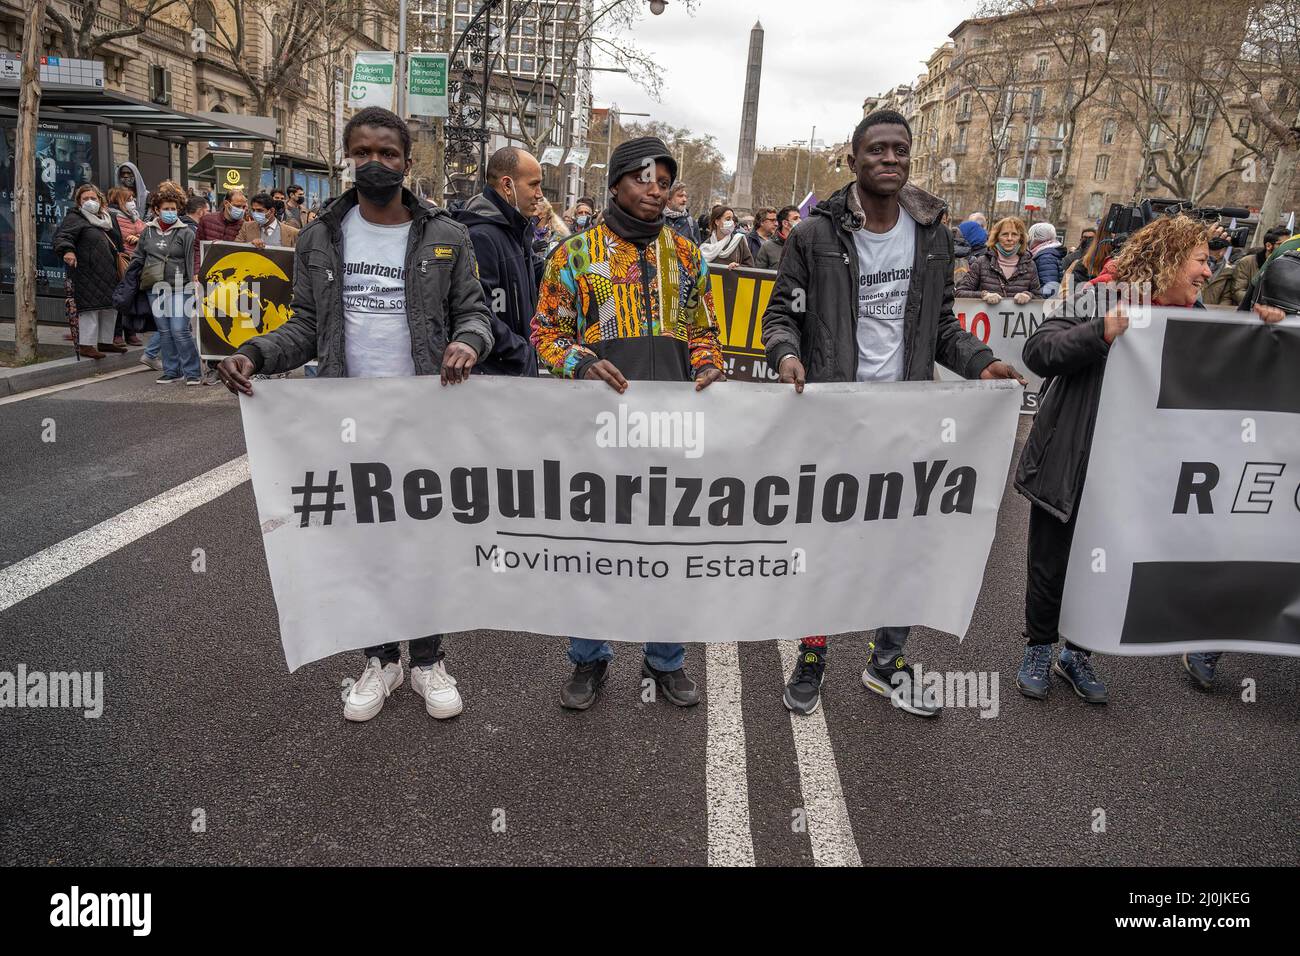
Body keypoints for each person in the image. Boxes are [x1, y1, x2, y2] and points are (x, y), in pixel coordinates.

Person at [217, 106, 495, 724]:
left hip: (424, 417)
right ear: (349, 156)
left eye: (388, 153)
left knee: (422, 541)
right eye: (363, 151)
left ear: (407, 161)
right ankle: (380, 660)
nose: (376, 163)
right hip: (347, 419)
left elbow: (475, 314)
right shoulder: (320, 237)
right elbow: (308, 327)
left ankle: (426, 660)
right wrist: (255, 354)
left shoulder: (447, 236)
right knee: (365, 543)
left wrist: (467, 343)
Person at [761, 109, 1025, 717]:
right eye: (877, 150)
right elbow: (781, 316)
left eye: (900, 150)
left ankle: (887, 664)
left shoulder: (932, 231)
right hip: (835, 418)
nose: (890, 159)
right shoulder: (815, 235)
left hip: (909, 418)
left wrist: (982, 362)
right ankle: (813, 650)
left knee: (905, 544)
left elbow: (939, 327)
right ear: (852, 160)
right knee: (826, 541)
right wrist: (787, 354)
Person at [1014, 216, 1285, 704]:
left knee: (1108, 564)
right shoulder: (1107, 295)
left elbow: (1229, 379)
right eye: (1201, 261)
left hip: (1134, 473)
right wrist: (1102, 330)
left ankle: (1080, 652)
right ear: (1169, 260)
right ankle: (1038, 647)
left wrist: (1265, 332)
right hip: (1072, 458)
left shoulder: (1192, 316)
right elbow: (1039, 351)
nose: (1208, 271)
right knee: (1054, 559)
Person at [531, 135, 725, 712]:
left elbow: (703, 329)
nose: (656, 190)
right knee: (595, 545)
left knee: (668, 546)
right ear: (615, 183)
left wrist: (708, 365)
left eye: (665, 182)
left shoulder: (687, 255)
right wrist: (581, 361)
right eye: (644, 178)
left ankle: (666, 659)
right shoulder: (574, 255)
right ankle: (588, 658)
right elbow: (546, 333)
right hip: (598, 433)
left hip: (671, 431)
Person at [452, 145, 543, 376]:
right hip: (498, 381)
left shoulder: (514, 230)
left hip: (514, 375)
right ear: (507, 185)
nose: (540, 194)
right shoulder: (482, 236)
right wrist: (520, 352)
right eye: (534, 184)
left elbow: (537, 272)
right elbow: (478, 310)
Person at [131, 180, 201, 385]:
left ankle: (193, 371)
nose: (170, 212)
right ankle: (172, 370)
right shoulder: (148, 231)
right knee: (164, 331)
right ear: (156, 209)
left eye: (174, 208)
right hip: (155, 287)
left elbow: (191, 259)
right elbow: (139, 257)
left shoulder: (187, 232)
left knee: (179, 329)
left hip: (181, 287)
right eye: (166, 209)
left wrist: (194, 285)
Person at [54, 183, 126, 360]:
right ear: (79, 201)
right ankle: (86, 345)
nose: (89, 201)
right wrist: (68, 251)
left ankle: (105, 341)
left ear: (100, 200)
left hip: (109, 271)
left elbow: (117, 242)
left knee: (110, 307)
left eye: (93, 198)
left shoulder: (108, 218)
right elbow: (63, 236)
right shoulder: (75, 218)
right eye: (85, 198)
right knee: (90, 309)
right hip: (86, 271)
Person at [956, 215, 1042, 304]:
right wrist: (984, 295)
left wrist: (1028, 295)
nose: (1009, 238)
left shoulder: (1030, 265)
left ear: (1021, 238)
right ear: (996, 238)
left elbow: (1038, 297)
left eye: (1014, 234)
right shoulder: (981, 262)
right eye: (1005, 234)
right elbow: (960, 292)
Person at [106, 186, 146, 346]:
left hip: (134, 262)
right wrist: (137, 234)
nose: (133, 202)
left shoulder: (132, 216)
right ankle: (118, 334)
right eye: (129, 199)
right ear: (120, 200)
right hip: (121, 262)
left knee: (131, 297)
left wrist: (138, 236)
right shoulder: (115, 216)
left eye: (133, 199)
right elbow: (121, 236)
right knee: (123, 297)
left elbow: (144, 231)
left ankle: (130, 332)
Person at [1229, 225, 1291, 307]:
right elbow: (1238, 291)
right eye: (1283, 245)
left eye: (1289, 244)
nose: (1288, 248)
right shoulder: (1248, 262)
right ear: (1268, 246)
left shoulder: (1290, 265)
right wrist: (1260, 304)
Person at [699, 204, 754, 269]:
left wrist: (738, 266)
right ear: (717, 222)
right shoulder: (706, 246)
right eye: (728, 219)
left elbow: (750, 266)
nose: (731, 222)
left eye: (732, 219)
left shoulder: (739, 240)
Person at [755, 205, 800, 269]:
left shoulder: (803, 245)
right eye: (795, 218)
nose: (800, 221)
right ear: (785, 223)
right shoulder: (767, 247)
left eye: (799, 218)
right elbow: (758, 274)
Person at [1027, 221, 1065, 297]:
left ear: (1036, 238)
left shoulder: (1046, 257)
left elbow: (1049, 288)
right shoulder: (1048, 253)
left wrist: (1031, 296)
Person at [1200, 234, 1236, 305]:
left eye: (1216, 246)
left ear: (1223, 251)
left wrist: (1216, 313)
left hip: (1213, 313)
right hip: (1192, 310)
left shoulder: (1229, 272)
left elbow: (1226, 298)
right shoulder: (1196, 265)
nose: (1210, 249)